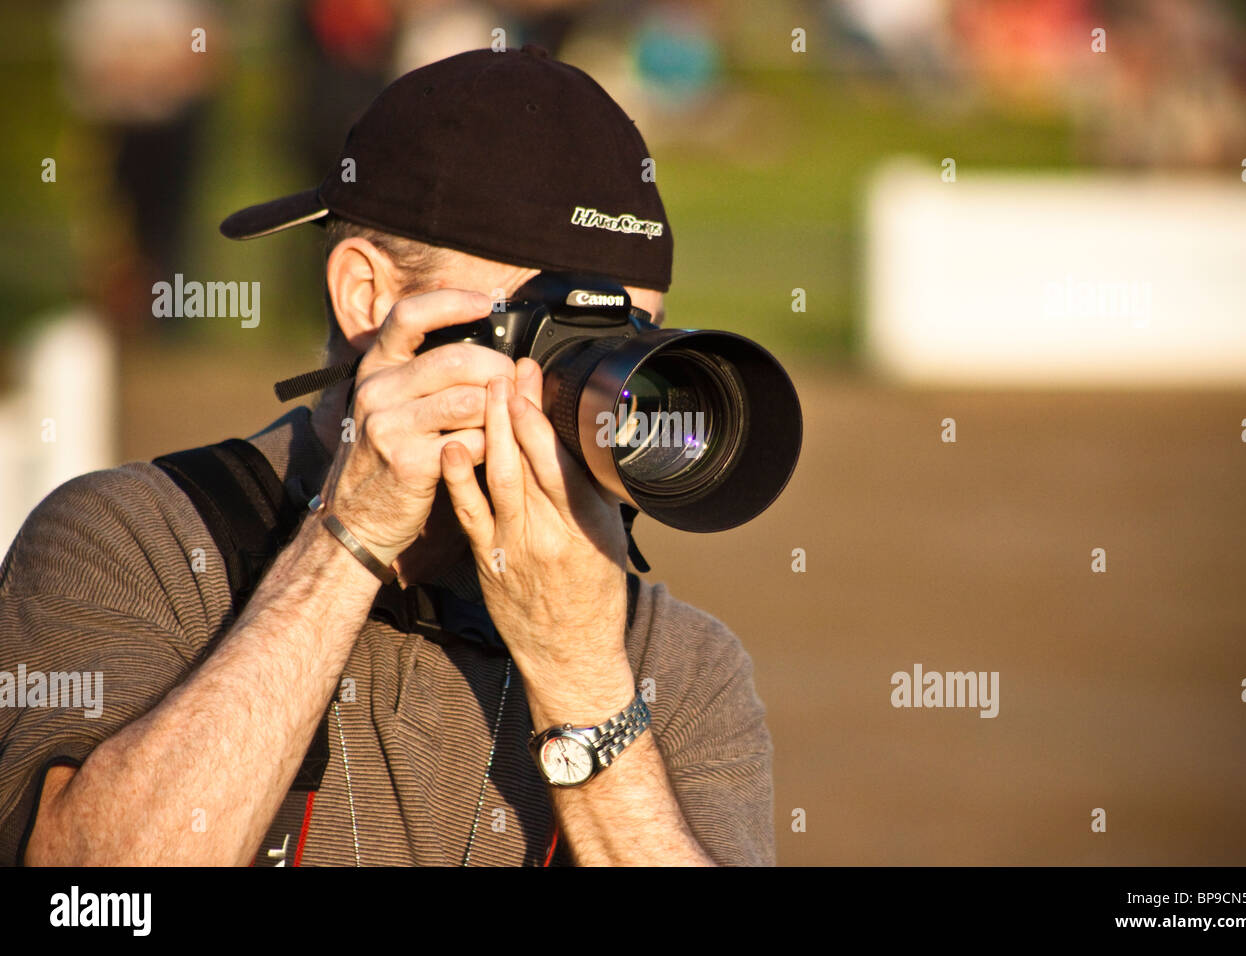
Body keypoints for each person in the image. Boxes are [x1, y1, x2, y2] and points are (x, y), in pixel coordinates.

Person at [0, 45, 775, 866]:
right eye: (551, 338)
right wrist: (346, 545)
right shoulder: (136, 544)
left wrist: (584, 681)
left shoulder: (671, 662)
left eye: (626, 346)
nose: (589, 400)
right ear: (368, 298)